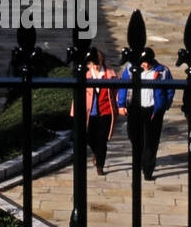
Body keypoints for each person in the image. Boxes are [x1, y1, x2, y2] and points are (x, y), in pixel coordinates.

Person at [117, 46, 174, 180]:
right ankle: (140, 158)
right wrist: (121, 104)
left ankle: (148, 169)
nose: (146, 65)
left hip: (153, 110)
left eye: (148, 62)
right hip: (135, 109)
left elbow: (170, 89)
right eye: (144, 62)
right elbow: (123, 86)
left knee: (152, 140)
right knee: (134, 136)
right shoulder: (131, 69)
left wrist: (165, 105)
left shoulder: (163, 71)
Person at [70, 47, 116, 175]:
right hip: (89, 112)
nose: (95, 66)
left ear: (102, 62)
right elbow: (78, 94)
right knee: (89, 137)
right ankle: (96, 153)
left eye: (98, 63)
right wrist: (74, 111)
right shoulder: (85, 74)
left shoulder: (110, 74)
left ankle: (100, 165)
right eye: (93, 63)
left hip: (105, 111)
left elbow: (116, 92)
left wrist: (120, 105)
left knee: (102, 140)